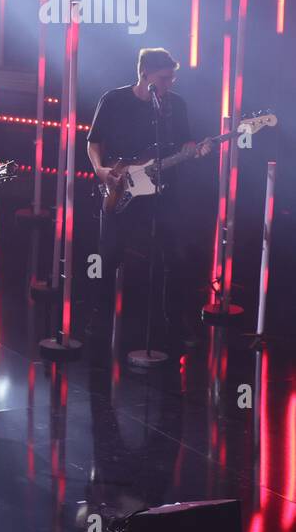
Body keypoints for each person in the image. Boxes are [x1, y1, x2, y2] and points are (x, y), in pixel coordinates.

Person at [85, 48, 213, 344]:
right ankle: (99, 318)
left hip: (163, 189)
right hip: (121, 186)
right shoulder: (114, 100)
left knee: (175, 257)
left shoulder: (174, 105)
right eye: (164, 78)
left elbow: (186, 141)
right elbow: (93, 142)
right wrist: (101, 170)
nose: (169, 83)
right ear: (145, 74)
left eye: (172, 78)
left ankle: (175, 324)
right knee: (109, 255)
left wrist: (197, 149)